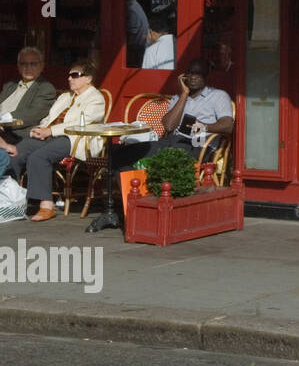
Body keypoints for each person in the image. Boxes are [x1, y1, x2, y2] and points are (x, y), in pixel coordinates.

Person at [89, 60, 235, 233]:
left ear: (206, 76)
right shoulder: (177, 97)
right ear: (184, 76)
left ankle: (132, 213)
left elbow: (228, 125)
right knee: (119, 155)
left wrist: (204, 126)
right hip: (172, 140)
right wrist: (184, 95)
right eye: (191, 73)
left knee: (155, 160)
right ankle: (120, 211)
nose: (194, 78)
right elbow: (168, 126)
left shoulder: (218, 96)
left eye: (199, 74)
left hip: (198, 145)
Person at [3, 59, 106, 221]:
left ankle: (46, 205)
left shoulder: (96, 98)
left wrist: (50, 131)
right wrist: (39, 130)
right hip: (51, 136)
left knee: (39, 156)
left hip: (75, 139)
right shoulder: (65, 96)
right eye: (69, 75)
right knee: (15, 151)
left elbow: (80, 124)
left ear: (89, 78)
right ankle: (10, 199)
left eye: (75, 75)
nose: (70, 78)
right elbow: (50, 118)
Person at [0, 47, 57, 147]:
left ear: (42, 66)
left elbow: (32, 114)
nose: (28, 68)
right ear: (18, 66)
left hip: (15, 135)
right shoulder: (10, 85)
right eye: (23, 64)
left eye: (33, 64)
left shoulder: (46, 88)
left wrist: (2, 121)